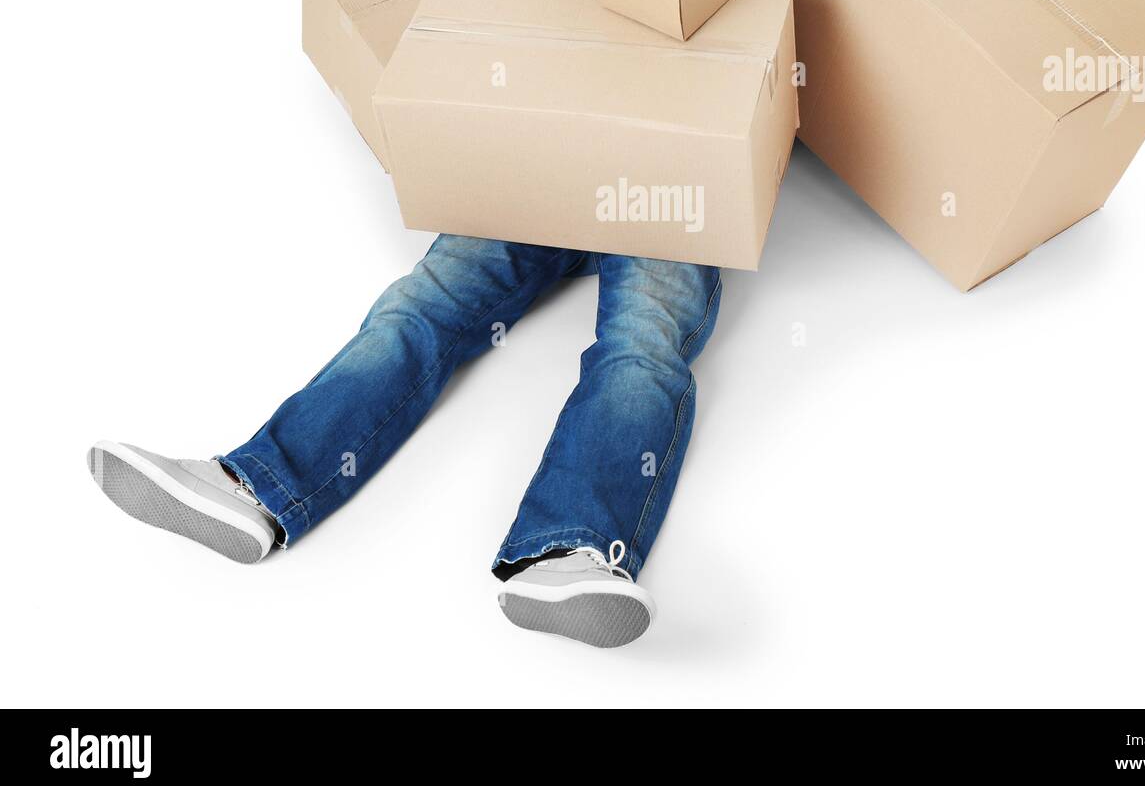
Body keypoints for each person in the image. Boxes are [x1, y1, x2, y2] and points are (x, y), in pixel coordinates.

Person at [86, 235, 721, 649]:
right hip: (535, 160)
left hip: (669, 194)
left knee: (641, 347)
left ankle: (566, 551)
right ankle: (253, 487)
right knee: (418, 308)